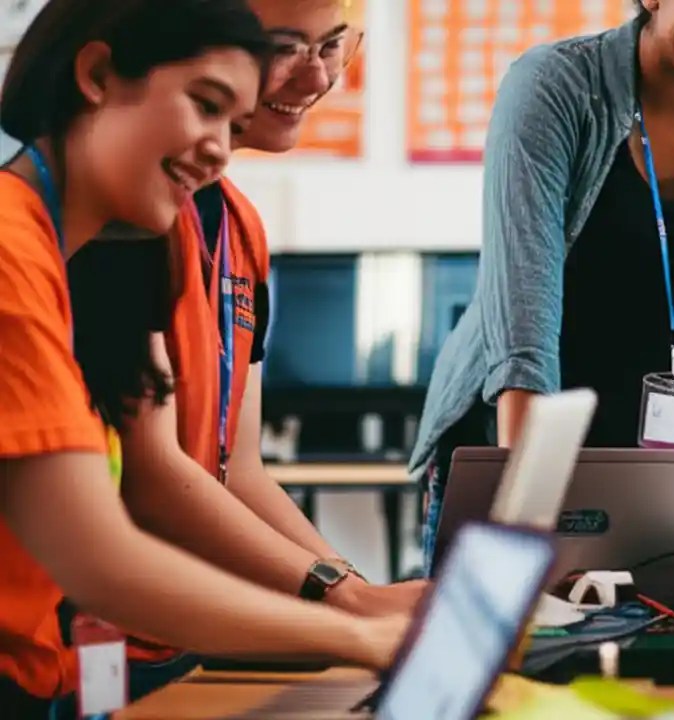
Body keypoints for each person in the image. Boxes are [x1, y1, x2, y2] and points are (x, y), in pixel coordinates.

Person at [0, 0, 406, 713]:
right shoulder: (11, 250)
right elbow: (103, 560)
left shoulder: (53, 243)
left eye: (232, 118)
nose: (220, 146)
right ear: (96, 74)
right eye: (205, 105)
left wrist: (360, 611)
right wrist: (363, 630)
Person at [409, 0, 674, 568]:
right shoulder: (553, 87)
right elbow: (524, 343)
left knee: (651, 656)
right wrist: (523, 553)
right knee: (523, 651)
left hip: (659, 483)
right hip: (516, 461)